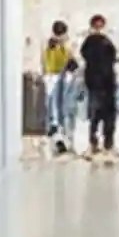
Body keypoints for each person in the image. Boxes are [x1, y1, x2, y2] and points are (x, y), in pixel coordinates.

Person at [80, 14, 119, 162]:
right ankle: (96, 144)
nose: (99, 28)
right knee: (96, 115)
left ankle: (107, 144)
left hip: (106, 83)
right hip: (97, 84)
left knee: (105, 115)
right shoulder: (94, 42)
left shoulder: (104, 42)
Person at [42, 20, 79, 157]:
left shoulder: (57, 46)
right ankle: (60, 136)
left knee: (56, 108)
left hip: (55, 78)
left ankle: (60, 135)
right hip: (55, 78)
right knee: (57, 108)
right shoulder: (55, 46)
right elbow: (57, 63)